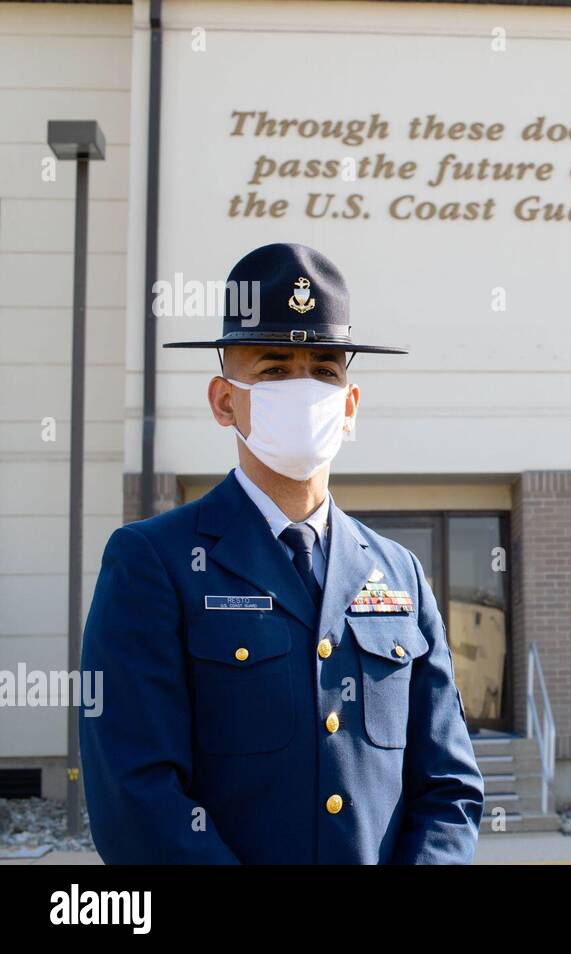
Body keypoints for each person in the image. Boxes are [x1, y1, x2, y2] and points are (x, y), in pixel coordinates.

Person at [79, 243, 484, 863]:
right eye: (273, 370)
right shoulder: (153, 563)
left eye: (324, 370)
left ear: (349, 406)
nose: (304, 388)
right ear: (224, 401)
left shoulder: (398, 572)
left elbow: (449, 788)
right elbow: (134, 796)